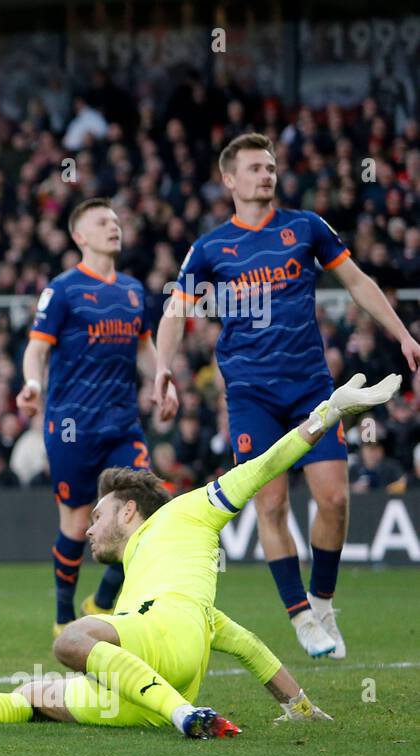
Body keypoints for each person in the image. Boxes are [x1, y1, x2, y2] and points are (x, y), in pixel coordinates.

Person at [0, 373, 400, 738]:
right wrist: (300, 707)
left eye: (97, 516)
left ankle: (184, 716)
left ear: (129, 511)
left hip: (160, 657)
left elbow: (263, 466)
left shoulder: (186, 512)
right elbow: (245, 644)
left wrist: (325, 416)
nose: (87, 529)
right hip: (142, 693)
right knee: (34, 693)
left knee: (74, 636)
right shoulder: (152, 582)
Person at [156, 132, 420, 659]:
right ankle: (300, 617)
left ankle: (323, 603)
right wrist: (163, 366)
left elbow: (359, 282)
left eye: (271, 166)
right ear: (230, 179)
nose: (266, 174)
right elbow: (175, 312)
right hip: (250, 394)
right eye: (254, 167)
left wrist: (403, 334)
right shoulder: (210, 248)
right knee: (271, 504)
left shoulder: (306, 228)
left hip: (312, 389)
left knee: (335, 500)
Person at [17, 198, 176, 637]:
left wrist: (163, 378)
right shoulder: (63, 289)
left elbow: (144, 345)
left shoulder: (131, 289)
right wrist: (32, 385)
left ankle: (103, 600)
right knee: (74, 522)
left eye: (117, 221)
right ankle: (65, 614)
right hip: (71, 427)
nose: (114, 227)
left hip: (122, 423)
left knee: (145, 507)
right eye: (103, 221)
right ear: (79, 236)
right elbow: (36, 348)